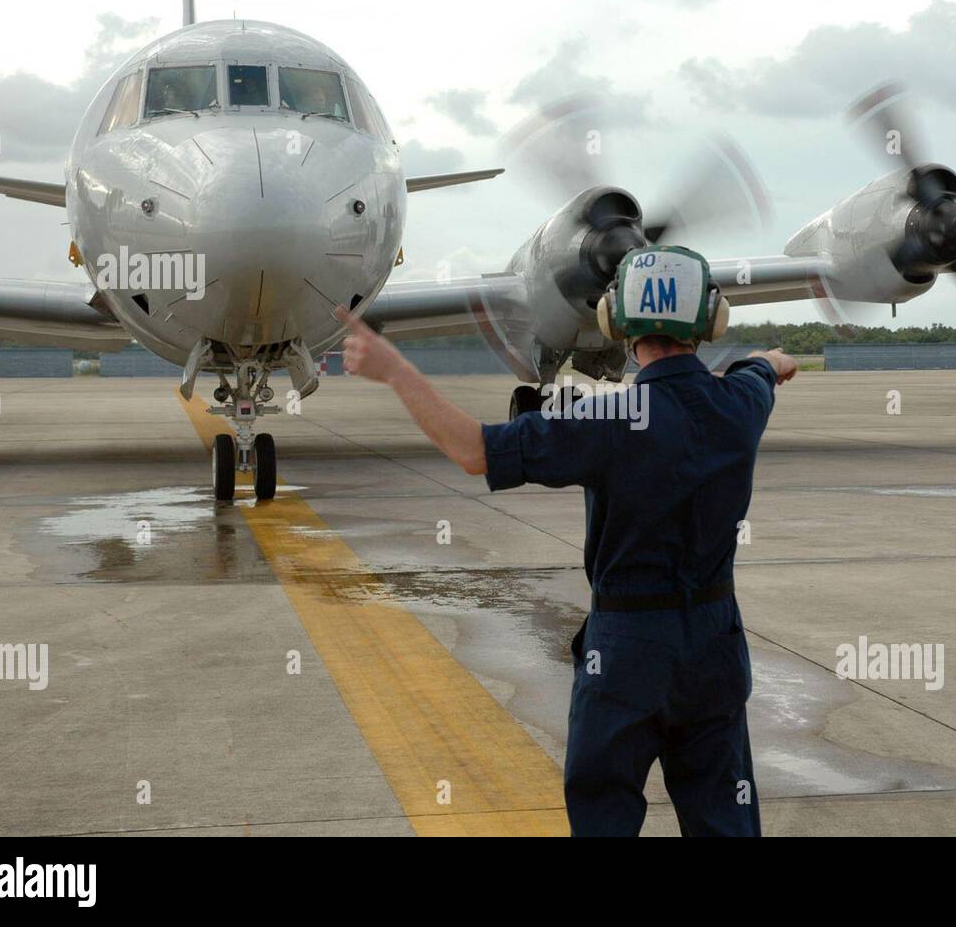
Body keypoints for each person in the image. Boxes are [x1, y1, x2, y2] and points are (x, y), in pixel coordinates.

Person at [332, 248, 796, 837]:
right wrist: (775, 360)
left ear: (615, 320)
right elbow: (762, 367)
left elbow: (475, 450)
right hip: (715, 644)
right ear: (711, 321)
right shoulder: (741, 404)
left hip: (625, 651)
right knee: (724, 818)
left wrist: (395, 370)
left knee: (604, 816)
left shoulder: (608, 418)